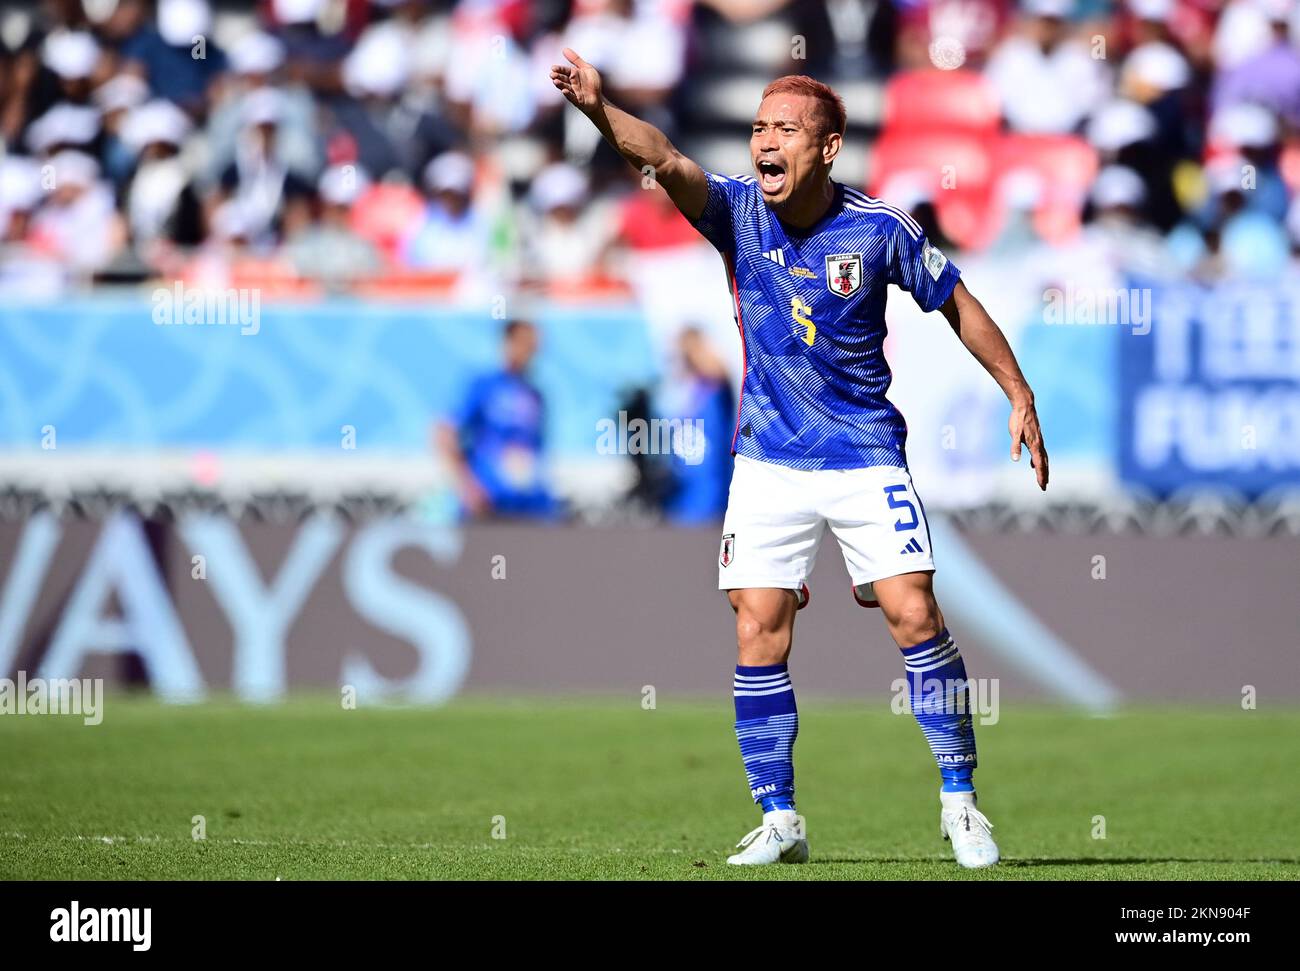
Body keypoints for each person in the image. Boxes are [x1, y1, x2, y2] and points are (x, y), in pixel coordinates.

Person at [551, 49, 1049, 868]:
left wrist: (1017, 390)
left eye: (785, 128)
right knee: (757, 627)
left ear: (827, 147)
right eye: (757, 127)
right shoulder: (737, 214)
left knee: (914, 611)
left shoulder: (880, 230)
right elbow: (666, 158)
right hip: (768, 459)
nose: (764, 141)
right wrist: (600, 111)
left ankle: (960, 800)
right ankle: (780, 817)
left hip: (862, 452)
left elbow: (956, 300)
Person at [436, 320, 558, 521]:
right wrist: (466, 485)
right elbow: (444, 433)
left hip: (528, 505)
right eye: (523, 343)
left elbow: (537, 450)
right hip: (487, 501)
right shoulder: (483, 385)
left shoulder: (535, 395)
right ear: (507, 343)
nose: (528, 352)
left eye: (533, 346)